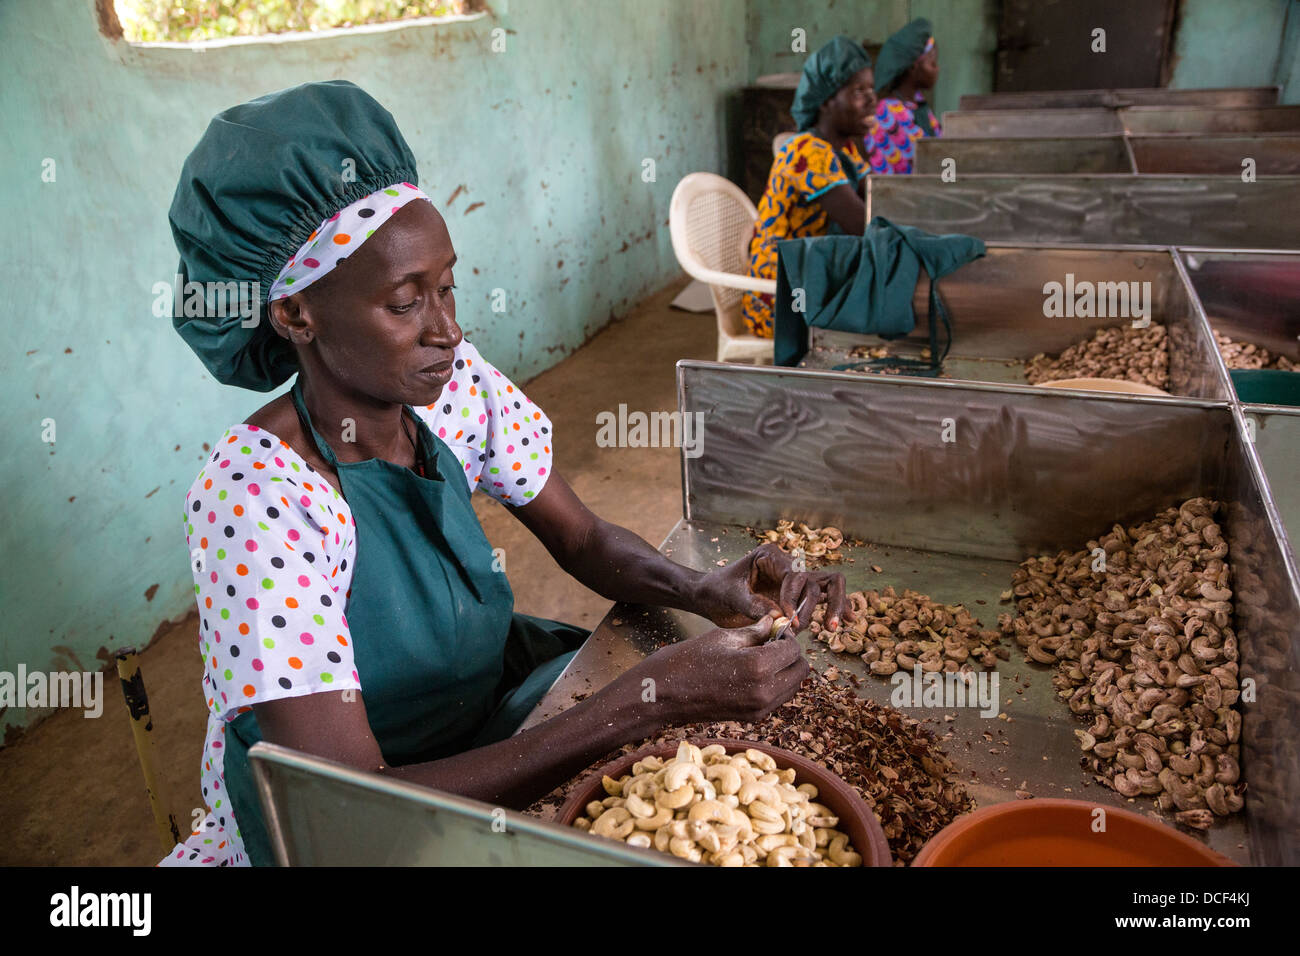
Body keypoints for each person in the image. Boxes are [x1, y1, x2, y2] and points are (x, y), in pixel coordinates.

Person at [160, 81, 853, 866]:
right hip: (354, 823)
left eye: (448, 287)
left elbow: (582, 536)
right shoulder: (258, 497)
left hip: (481, 724)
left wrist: (705, 588)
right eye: (404, 304)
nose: (448, 330)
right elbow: (351, 813)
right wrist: (650, 701)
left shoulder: (454, 390)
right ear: (296, 316)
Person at [742, 36, 876, 339]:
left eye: (872, 89)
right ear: (827, 100)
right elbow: (864, 223)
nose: (872, 99)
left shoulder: (845, 149)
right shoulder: (808, 153)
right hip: (781, 298)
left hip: (815, 275)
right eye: (859, 91)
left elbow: (879, 199)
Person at [865, 18, 942, 175]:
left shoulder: (918, 105)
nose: (937, 69)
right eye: (932, 63)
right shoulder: (886, 114)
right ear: (914, 66)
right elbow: (926, 162)